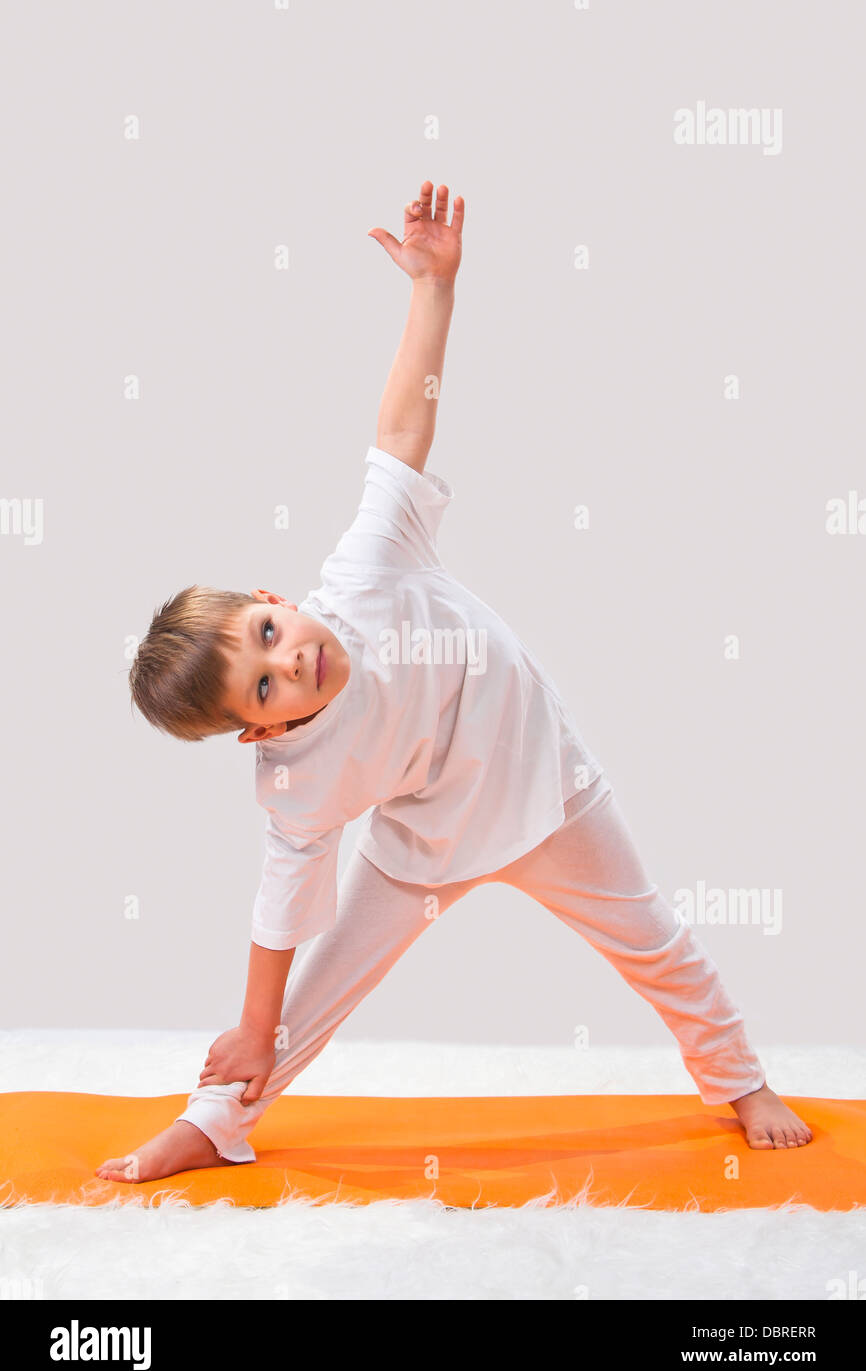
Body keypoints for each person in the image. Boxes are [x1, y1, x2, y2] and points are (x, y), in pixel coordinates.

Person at [96, 181, 812, 1184]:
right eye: (262, 687)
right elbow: (279, 921)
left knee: (655, 940)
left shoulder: (367, 567)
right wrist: (255, 1032)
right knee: (311, 1000)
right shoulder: (296, 781)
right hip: (422, 847)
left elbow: (398, 431)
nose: (287, 660)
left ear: (273, 595)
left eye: (268, 631)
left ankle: (737, 1079)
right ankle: (216, 1119)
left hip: (544, 791)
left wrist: (432, 291)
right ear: (260, 733)